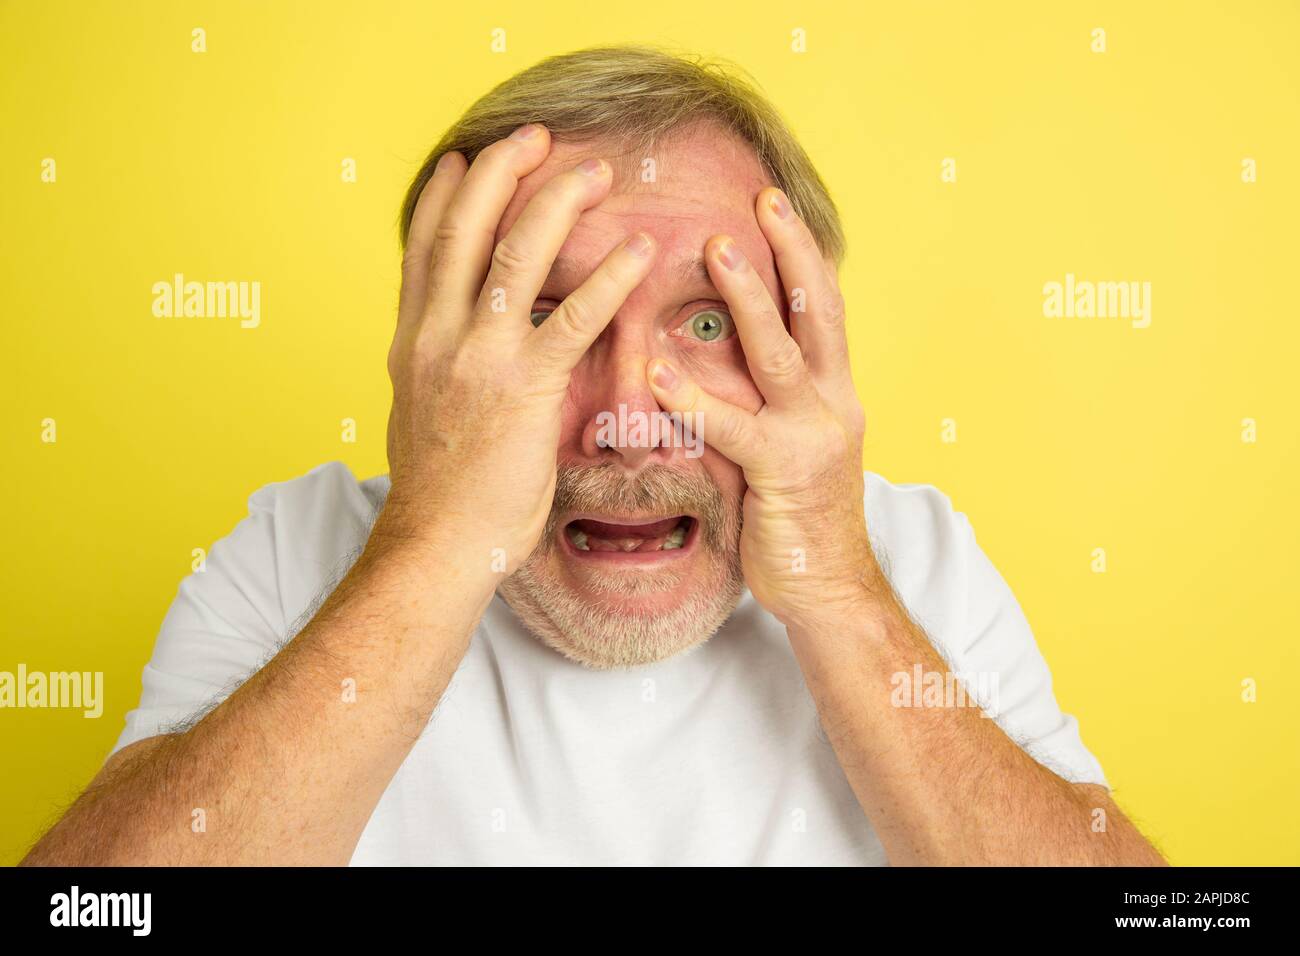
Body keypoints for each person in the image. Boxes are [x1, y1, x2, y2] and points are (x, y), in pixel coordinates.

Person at [23, 46, 1164, 866]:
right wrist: (436, 545)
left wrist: (833, 589)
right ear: (438, 350)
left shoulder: (909, 559)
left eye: (706, 321)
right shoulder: (296, 549)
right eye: (545, 317)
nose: (628, 412)